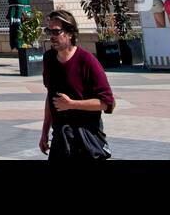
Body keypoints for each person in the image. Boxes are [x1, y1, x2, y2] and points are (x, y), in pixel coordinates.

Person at [39, 9, 115, 159]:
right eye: (49, 31)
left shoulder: (87, 61)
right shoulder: (49, 59)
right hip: (61, 137)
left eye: (56, 32)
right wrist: (44, 132)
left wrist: (72, 104)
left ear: (70, 33)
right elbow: (51, 97)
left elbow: (107, 103)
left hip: (86, 137)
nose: (51, 37)